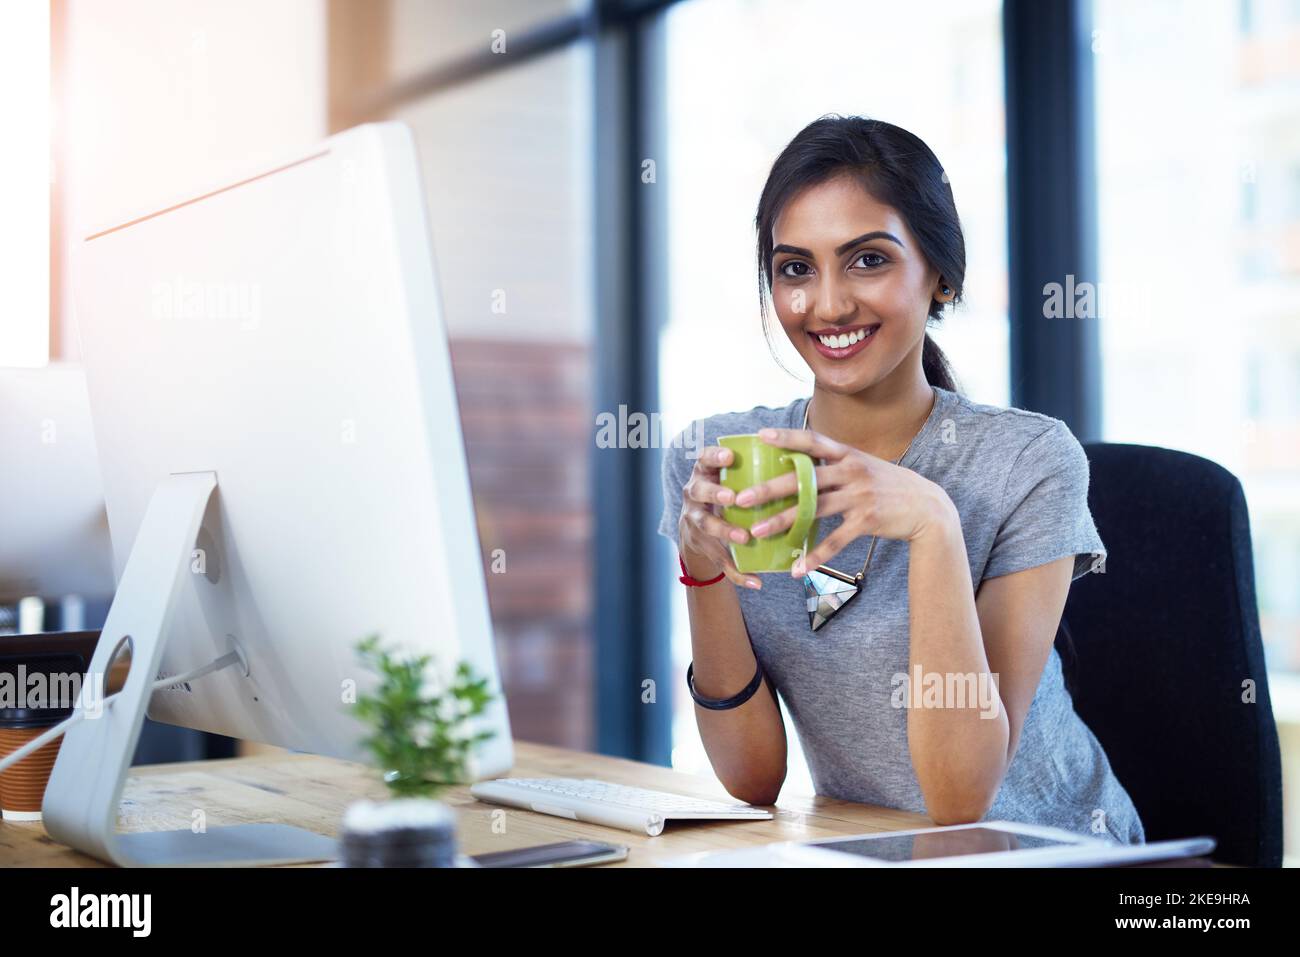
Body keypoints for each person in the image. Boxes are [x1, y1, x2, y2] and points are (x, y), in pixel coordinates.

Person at [658, 114, 1144, 844]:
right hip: (878, 853)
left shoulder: (1028, 461)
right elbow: (752, 778)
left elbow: (959, 799)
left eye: (867, 261)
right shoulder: (720, 459)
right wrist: (702, 566)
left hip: (1058, 853)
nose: (826, 304)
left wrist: (934, 526)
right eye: (795, 268)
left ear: (940, 272)